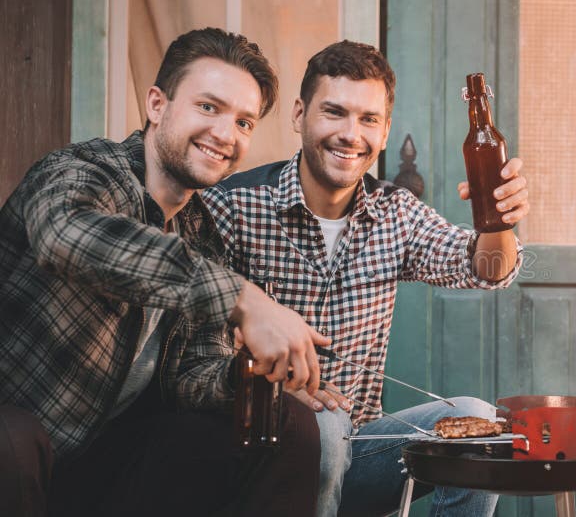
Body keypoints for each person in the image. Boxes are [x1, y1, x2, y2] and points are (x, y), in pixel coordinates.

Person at [0, 27, 330, 517]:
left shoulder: (202, 235)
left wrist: (251, 375)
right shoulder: (83, 172)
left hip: (102, 462)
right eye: (209, 107)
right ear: (157, 104)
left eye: (244, 122)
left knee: (288, 423)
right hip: (21, 445)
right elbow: (65, 236)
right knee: (12, 438)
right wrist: (245, 299)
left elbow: (189, 377)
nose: (225, 135)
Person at [201, 40, 529, 516]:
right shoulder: (234, 206)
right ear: (299, 114)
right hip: (254, 459)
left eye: (368, 119)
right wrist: (277, 390)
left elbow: (485, 270)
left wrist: (498, 224)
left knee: (479, 424)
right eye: (334, 113)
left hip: (359, 453)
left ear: (385, 129)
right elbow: (193, 354)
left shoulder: (395, 213)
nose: (351, 134)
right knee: (325, 425)